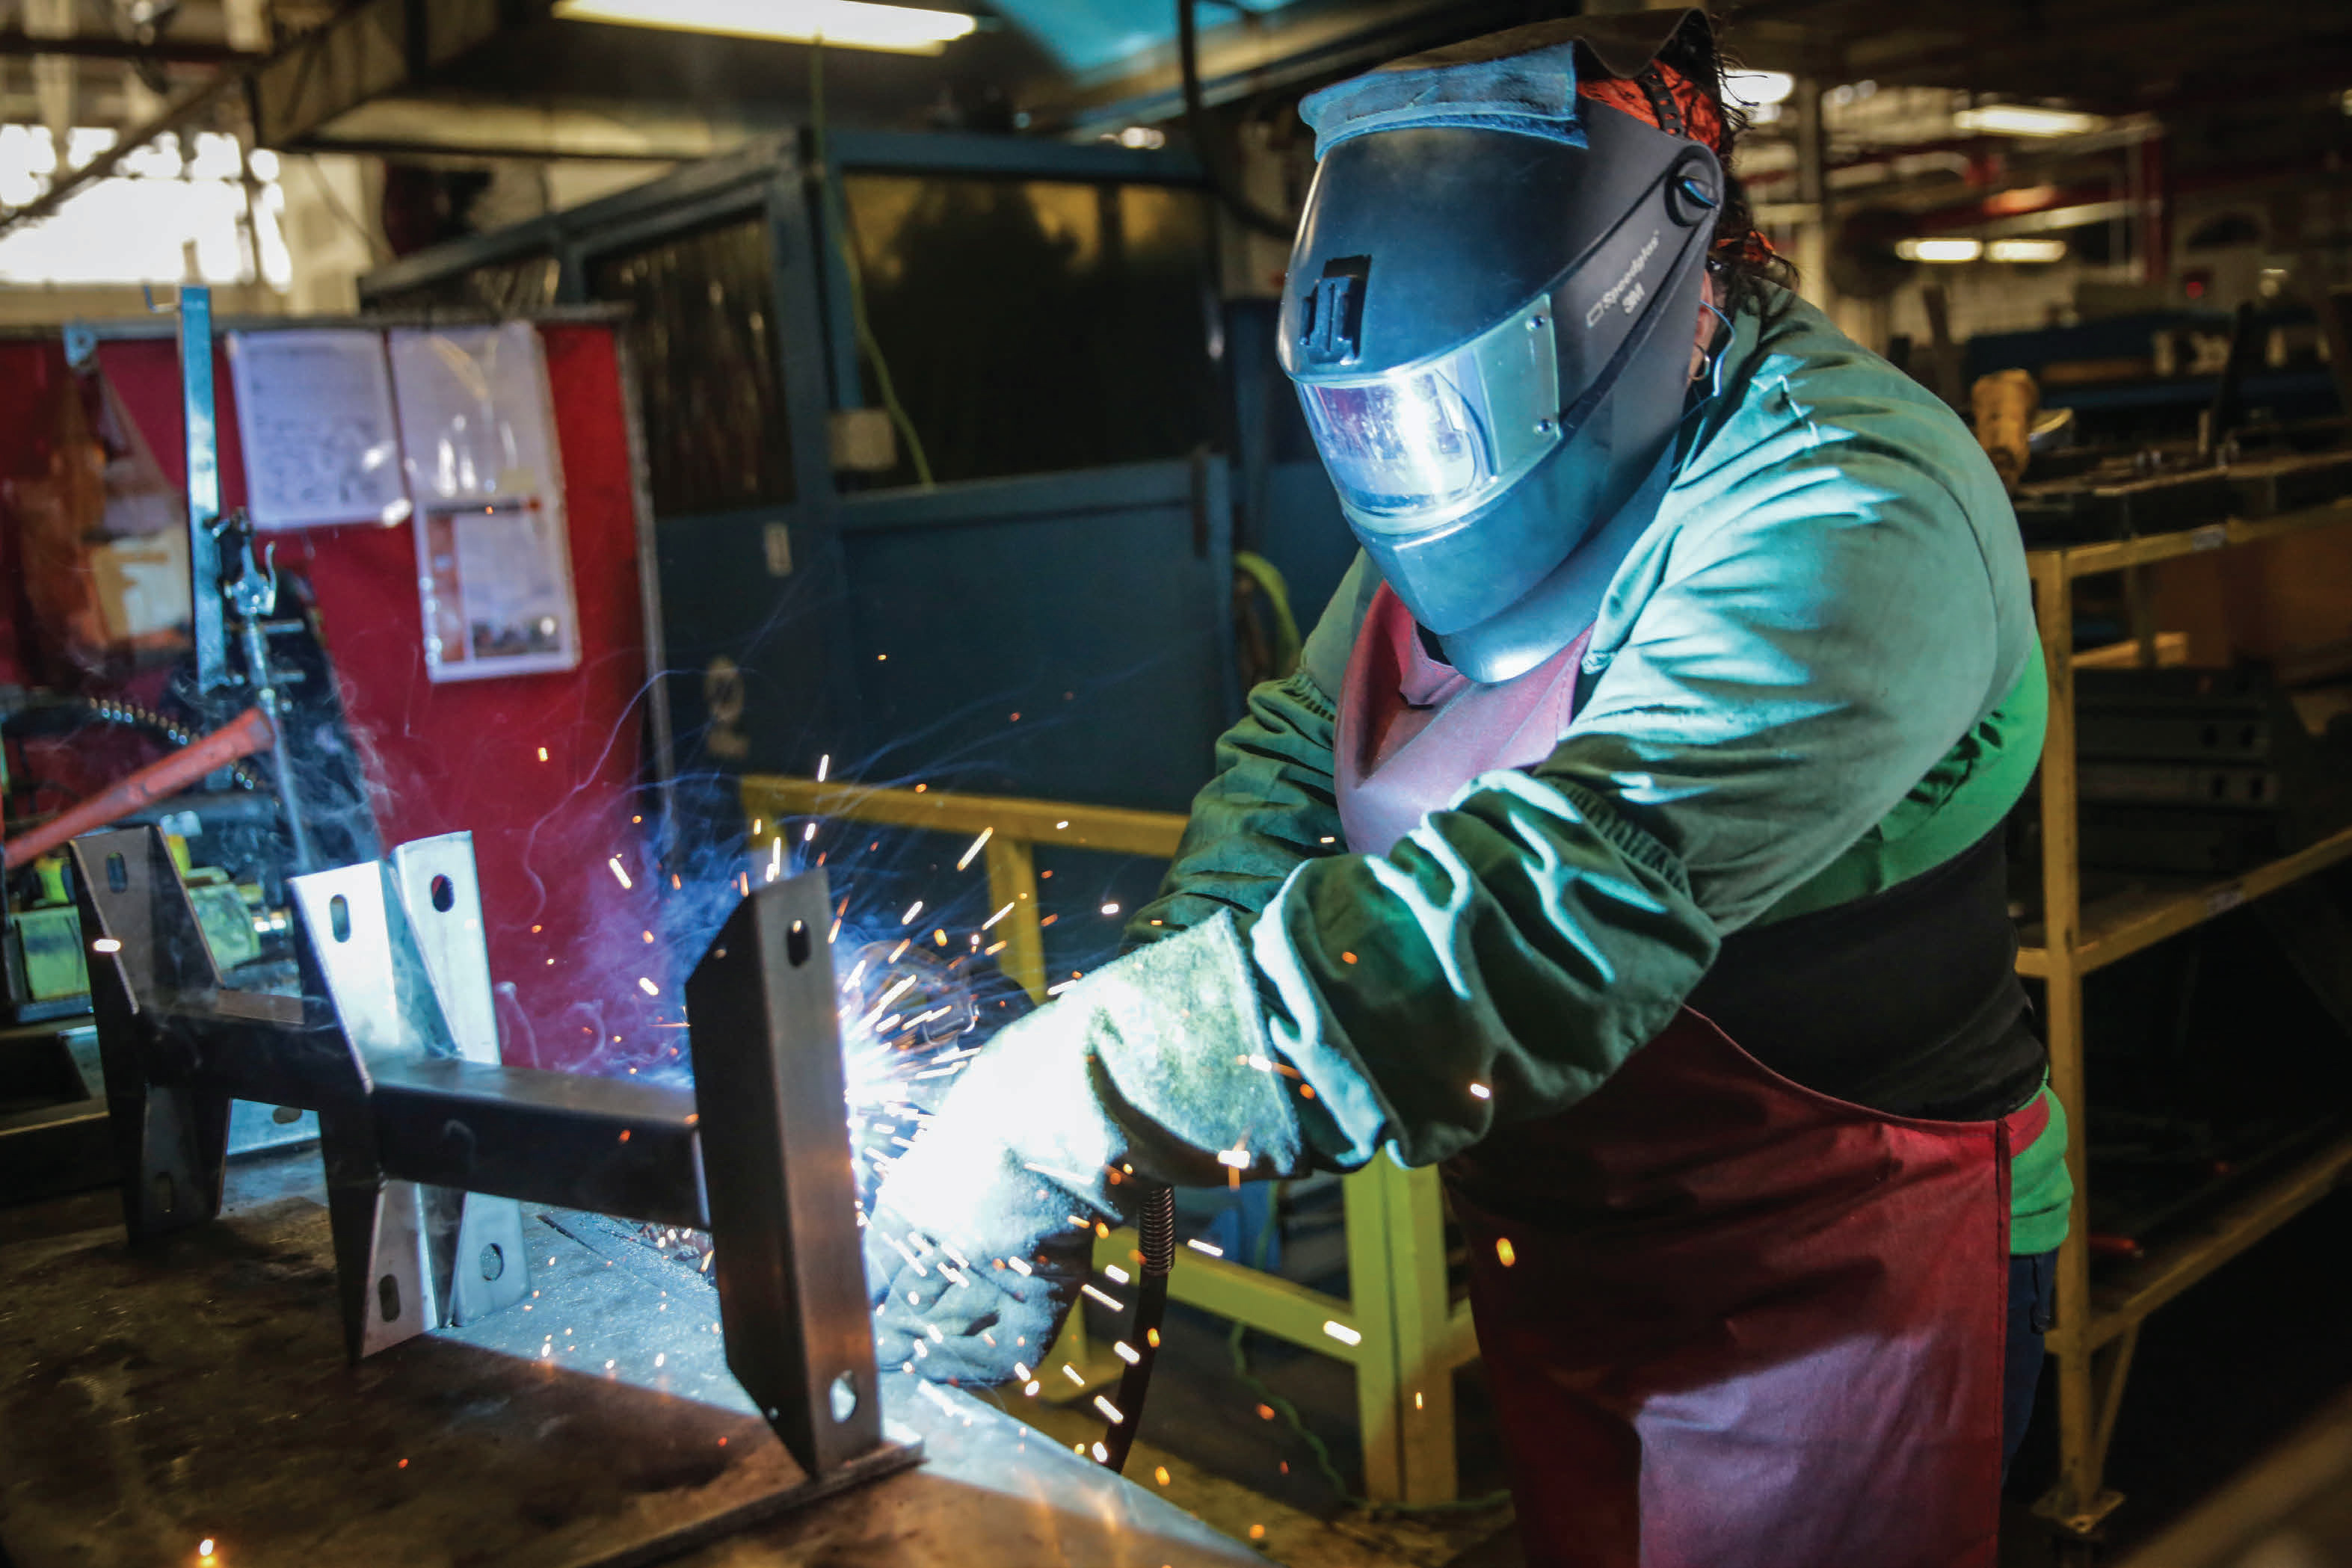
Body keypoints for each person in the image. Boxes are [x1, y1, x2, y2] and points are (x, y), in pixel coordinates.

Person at [863, 13, 2068, 1567]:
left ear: (1649, 281)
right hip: (1582, 1257)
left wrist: (1073, 1098)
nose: (1416, 487)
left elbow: (1548, 916)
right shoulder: (1506, 479)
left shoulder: (1846, 509)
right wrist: (1165, 996)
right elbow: (1308, 753)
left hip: (1843, 1275)